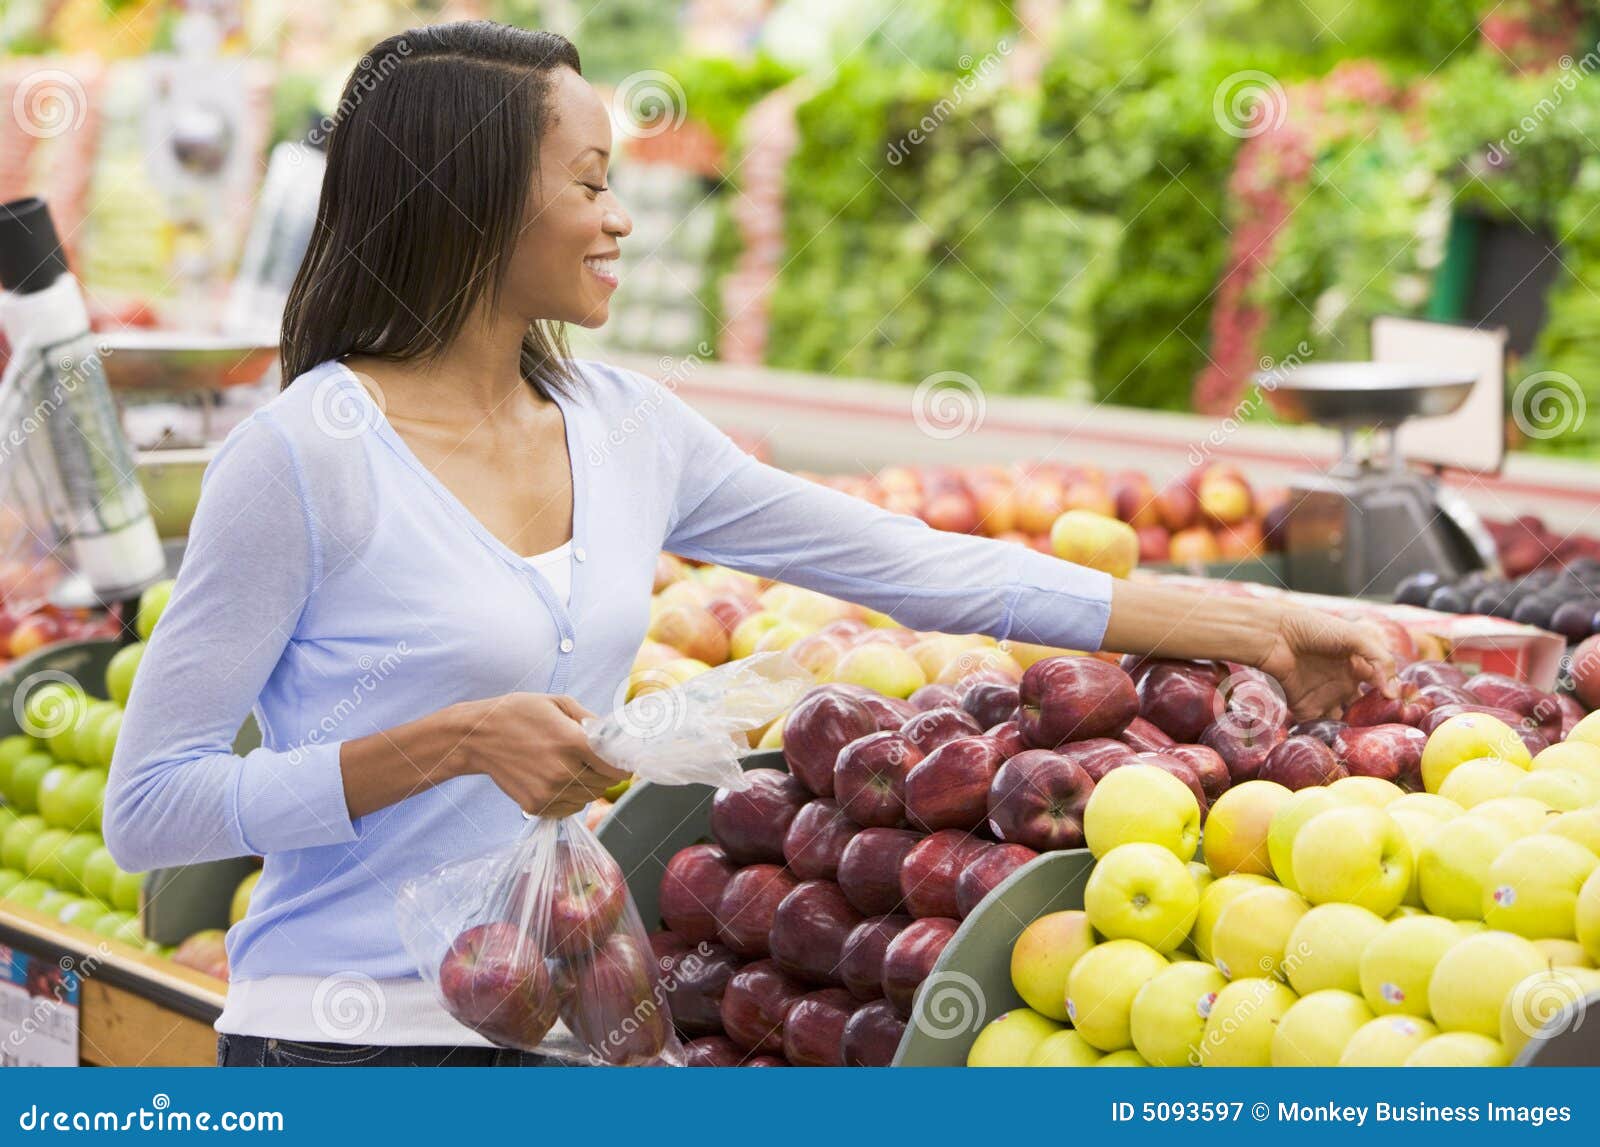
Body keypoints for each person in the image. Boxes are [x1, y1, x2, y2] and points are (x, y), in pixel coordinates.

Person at [104, 22, 1395, 1068]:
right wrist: (446, 743)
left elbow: (931, 566)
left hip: (568, 1027)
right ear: (477, 197)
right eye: (592, 179)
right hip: (346, 1046)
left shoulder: (627, 431)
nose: (623, 216)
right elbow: (151, 809)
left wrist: (1262, 626)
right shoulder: (302, 454)